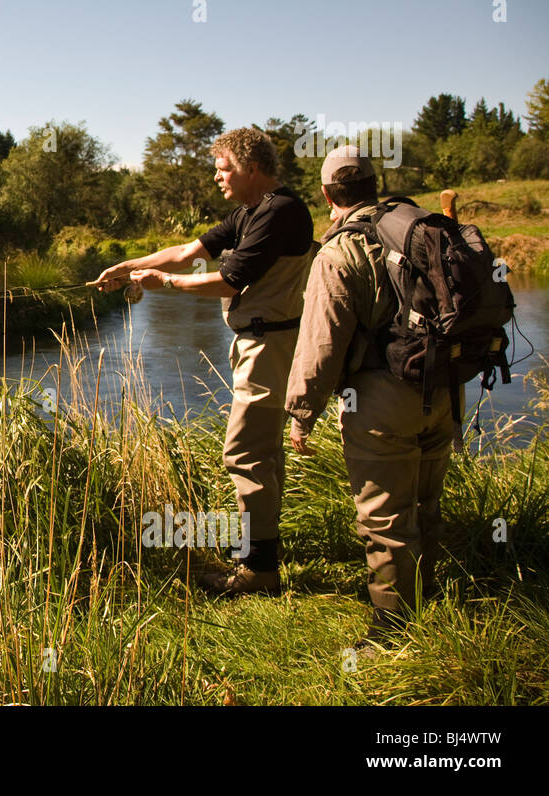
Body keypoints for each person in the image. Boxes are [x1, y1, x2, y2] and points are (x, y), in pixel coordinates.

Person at [95, 127, 315, 594]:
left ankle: (258, 571)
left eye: (224, 168)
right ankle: (264, 560)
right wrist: (128, 267)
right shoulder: (251, 212)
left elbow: (229, 281)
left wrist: (164, 283)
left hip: (268, 346)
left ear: (252, 168)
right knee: (262, 455)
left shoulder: (281, 212)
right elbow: (188, 252)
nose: (218, 176)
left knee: (245, 453)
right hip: (257, 343)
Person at [285, 144, 453, 652]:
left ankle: (391, 632)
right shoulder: (418, 229)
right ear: (374, 185)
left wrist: (301, 414)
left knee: (384, 518)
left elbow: (321, 343)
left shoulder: (338, 252)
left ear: (326, 193)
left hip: (380, 398)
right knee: (425, 500)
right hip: (442, 389)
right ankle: (427, 599)